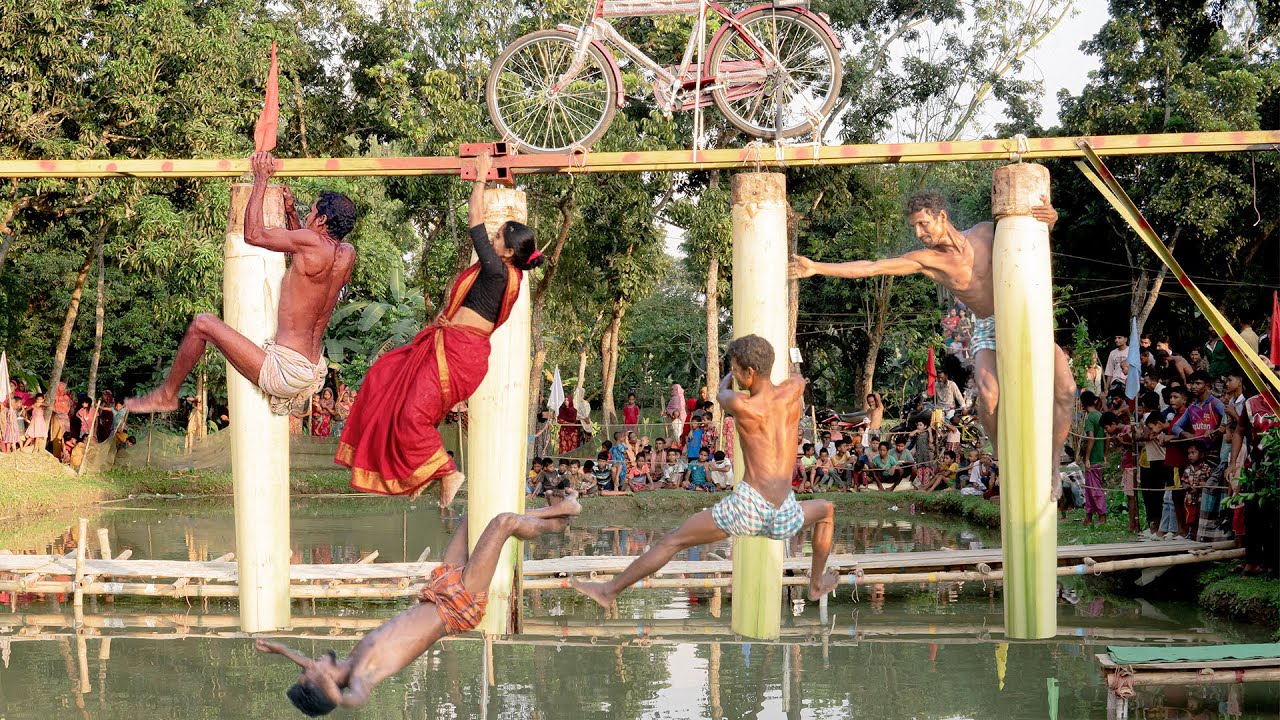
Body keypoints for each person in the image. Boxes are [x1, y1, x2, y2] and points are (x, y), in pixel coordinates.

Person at [792, 191, 1075, 495]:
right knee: (989, 396)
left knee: (1067, 390)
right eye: (914, 227)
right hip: (988, 324)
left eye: (923, 224)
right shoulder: (928, 260)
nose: (919, 233)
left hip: (1023, 316)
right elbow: (873, 266)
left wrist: (1048, 221)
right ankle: (1004, 461)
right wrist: (817, 267)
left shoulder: (986, 231)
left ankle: (1052, 466)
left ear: (941, 216)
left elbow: (1028, 242)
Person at [336, 153, 543, 506]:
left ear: (508, 252)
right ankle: (420, 472)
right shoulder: (508, 275)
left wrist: (479, 177)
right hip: (451, 346)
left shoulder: (497, 270)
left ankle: (446, 470)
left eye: (499, 238)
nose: (492, 239)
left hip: (458, 355)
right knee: (384, 377)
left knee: (411, 417)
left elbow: (475, 220)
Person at [572, 336, 838, 608]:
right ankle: (816, 583)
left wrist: (726, 378)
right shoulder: (793, 392)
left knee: (673, 541)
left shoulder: (742, 405)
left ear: (749, 373)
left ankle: (609, 591)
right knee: (826, 510)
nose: (733, 373)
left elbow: (722, 393)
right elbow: (799, 378)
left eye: (735, 368)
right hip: (786, 511)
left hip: (749, 508)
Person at [258, 494, 582, 715]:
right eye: (310, 671)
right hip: (458, 604)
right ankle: (563, 510)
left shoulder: (350, 660)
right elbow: (351, 702)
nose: (309, 663)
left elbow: (306, 665)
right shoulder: (361, 677)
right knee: (502, 524)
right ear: (324, 683)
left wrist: (279, 649)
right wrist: (329, 691)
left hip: (440, 591)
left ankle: (556, 521)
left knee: (477, 512)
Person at [128, 152, 357, 417]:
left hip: (288, 368)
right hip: (313, 367)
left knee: (202, 324)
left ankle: (166, 395)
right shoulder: (346, 255)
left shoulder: (311, 242)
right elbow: (309, 263)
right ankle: (293, 396)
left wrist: (261, 179)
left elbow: (254, 234)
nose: (307, 217)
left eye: (312, 212)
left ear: (322, 221)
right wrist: (292, 213)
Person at [1080, 392, 1108, 526]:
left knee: (1094, 488)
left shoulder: (1090, 418)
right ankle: (1089, 516)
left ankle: (1102, 516)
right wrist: (1105, 454)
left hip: (1093, 458)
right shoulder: (1100, 415)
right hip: (1099, 456)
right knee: (1090, 488)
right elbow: (1107, 436)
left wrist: (1087, 458)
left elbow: (1091, 438)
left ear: (1083, 404)